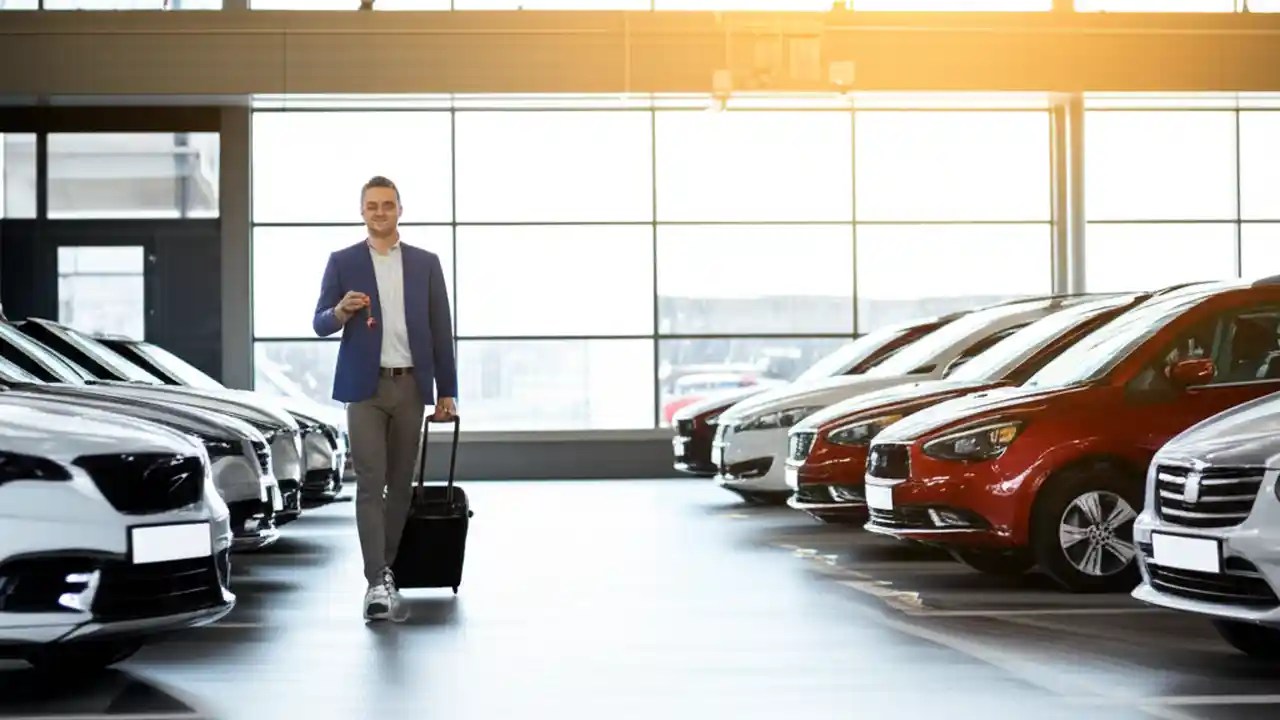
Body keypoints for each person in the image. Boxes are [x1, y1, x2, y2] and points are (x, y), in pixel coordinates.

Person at [312, 175, 458, 622]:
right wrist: (340, 312)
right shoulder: (343, 262)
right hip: (364, 389)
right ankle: (376, 580)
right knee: (370, 485)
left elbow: (440, 331)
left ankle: (386, 570)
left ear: (400, 210)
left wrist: (446, 391)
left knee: (401, 486)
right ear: (362, 212)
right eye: (372, 205)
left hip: (411, 387)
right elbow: (320, 323)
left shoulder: (426, 264)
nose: (380, 212)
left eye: (387, 205)